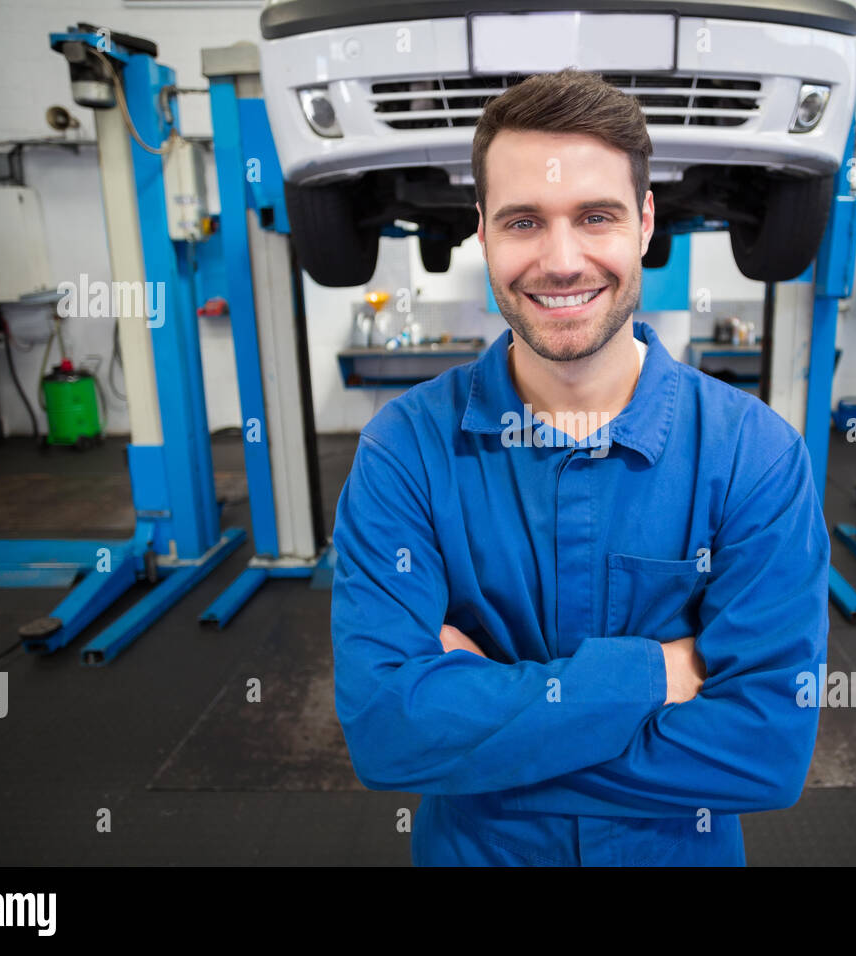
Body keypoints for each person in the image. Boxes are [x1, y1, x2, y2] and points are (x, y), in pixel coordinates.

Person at [330, 68, 830, 866]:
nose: (562, 262)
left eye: (595, 216)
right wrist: (651, 675)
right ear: (484, 233)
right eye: (525, 221)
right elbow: (389, 731)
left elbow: (765, 752)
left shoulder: (755, 456)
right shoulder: (405, 453)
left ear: (644, 225)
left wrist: (485, 738)